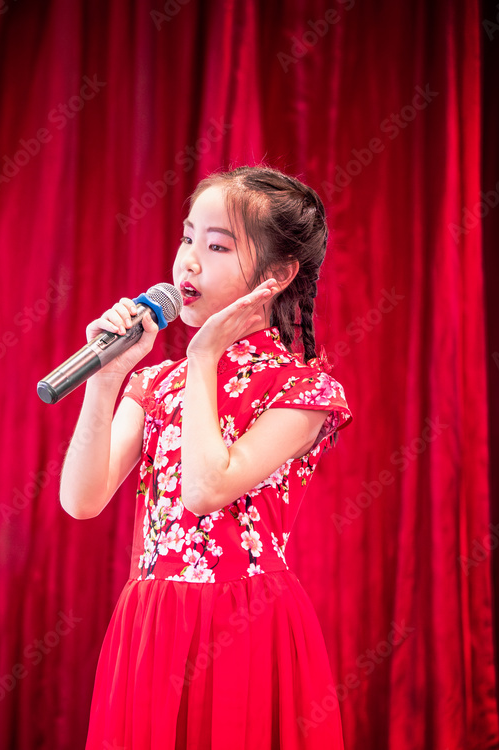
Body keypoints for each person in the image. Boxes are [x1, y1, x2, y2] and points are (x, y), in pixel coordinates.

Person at [60, 165, 353, 749]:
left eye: (216, 246)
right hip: (151, 625)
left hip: (246, 625)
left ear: (276, 275)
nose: (188, 261)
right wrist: (108, 377)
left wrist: (203, 358)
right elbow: (81, 500)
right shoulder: (157, 382)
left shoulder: (302, 392)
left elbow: (206, 489)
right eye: (187, 237)